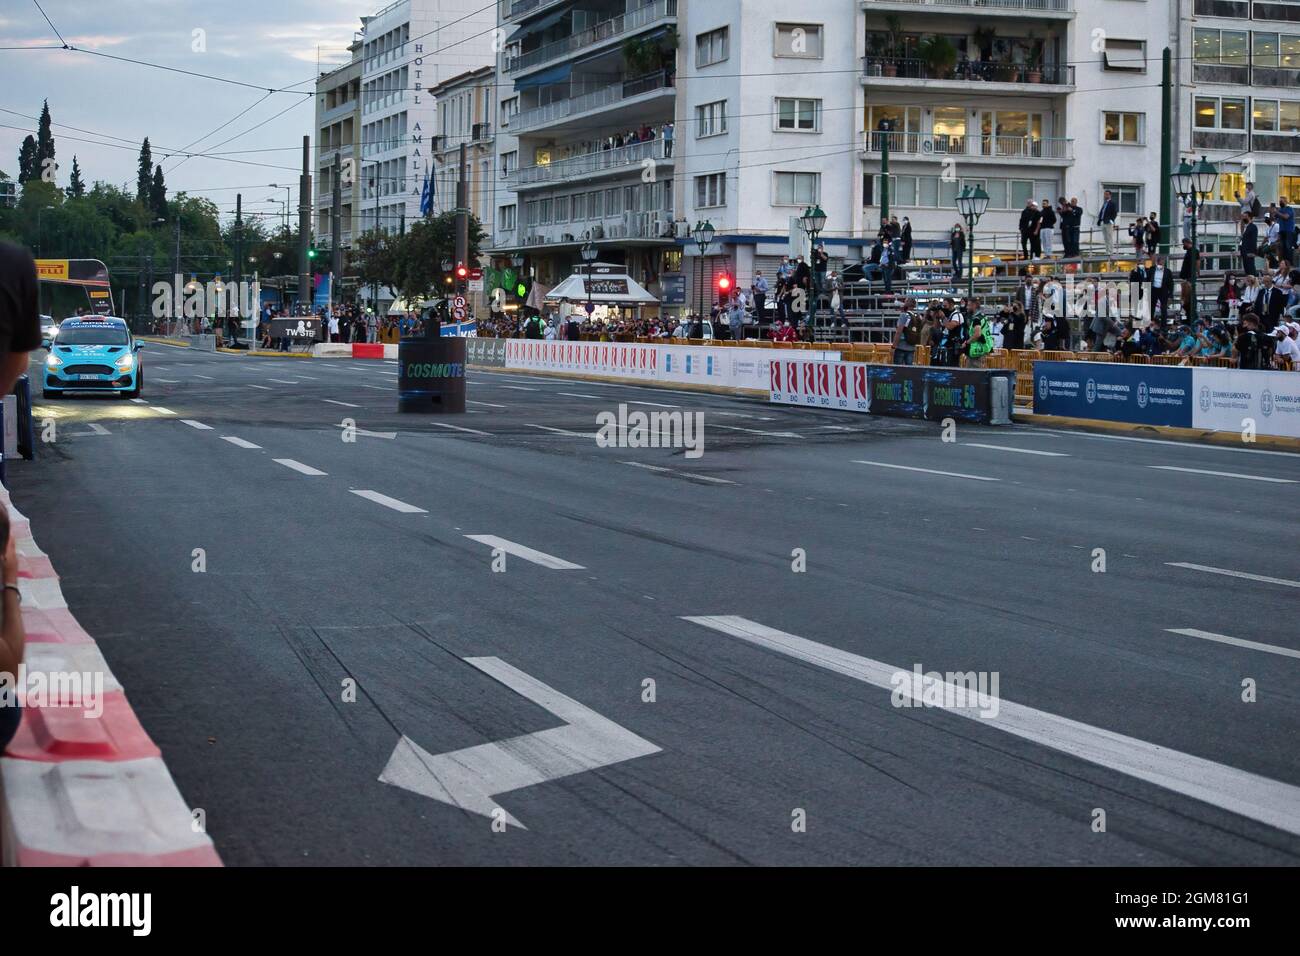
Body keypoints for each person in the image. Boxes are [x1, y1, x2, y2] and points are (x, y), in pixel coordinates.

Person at [892, 296, 923, 365]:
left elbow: (899, 332)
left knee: (898, 370)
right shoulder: (918, 316)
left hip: (901, 347)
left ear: (906, 304)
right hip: (912, 347)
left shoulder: (904, 315)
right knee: (909, 370)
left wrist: (893, 346)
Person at [1097, 190, 1118, 259]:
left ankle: (1111, 251)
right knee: (1105, 237)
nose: (1105, 195)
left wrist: (1111, 221)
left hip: (1109, 222)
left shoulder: (1112, 203)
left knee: (1109, 237)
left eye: (1107, 194)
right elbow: (1102, 212)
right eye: (1105, 194)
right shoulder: (1105, 203)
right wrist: (1099, 219)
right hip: (1103, 222)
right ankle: (1107, 251)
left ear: (1110, 195)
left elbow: (1114, 213)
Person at [1240, 212, 1259, 277]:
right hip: (1244, 252)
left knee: (1251, 269)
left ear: (1249, 217)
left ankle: (1255, 282)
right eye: (1243, 216)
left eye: (1245, 216)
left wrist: (1253, 252)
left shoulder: (1253, 227)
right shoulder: (1246, 227)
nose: (1243, 218)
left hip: (1249, 252)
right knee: (1247, 269)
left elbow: (1254, 240)